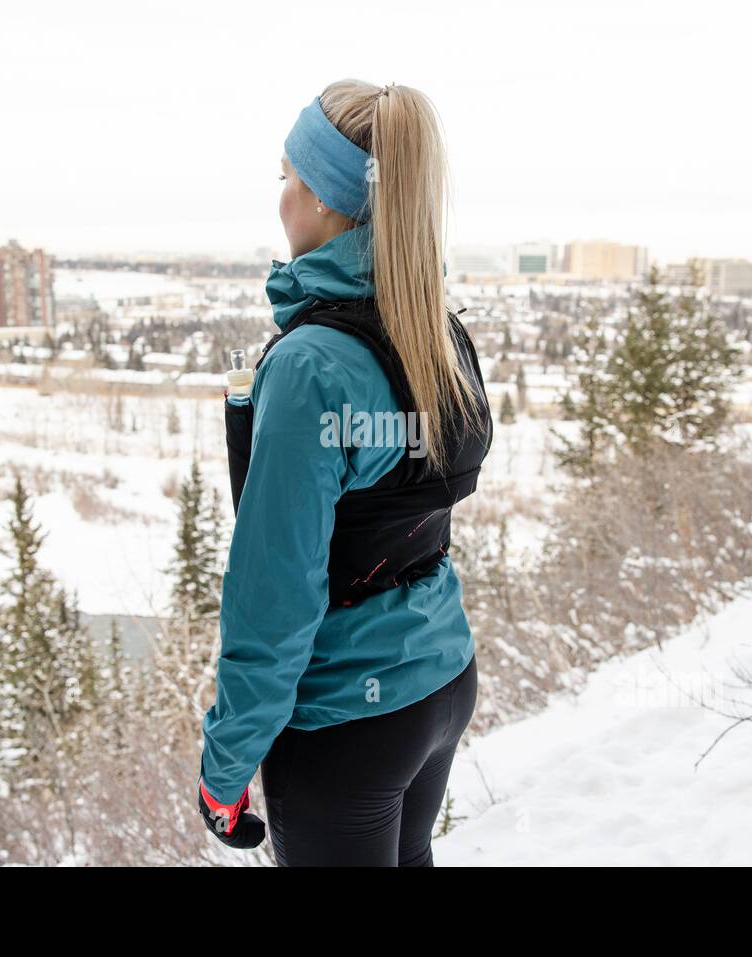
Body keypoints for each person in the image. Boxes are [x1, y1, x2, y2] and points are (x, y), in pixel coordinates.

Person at [196, 79, 493, 866]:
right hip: (439, 681)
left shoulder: (310, 365)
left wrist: (226, 766)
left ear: (326, 199)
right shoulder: (437, 333)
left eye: (287, 176)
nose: (281, 198)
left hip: (346, 723)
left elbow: (275, 594)